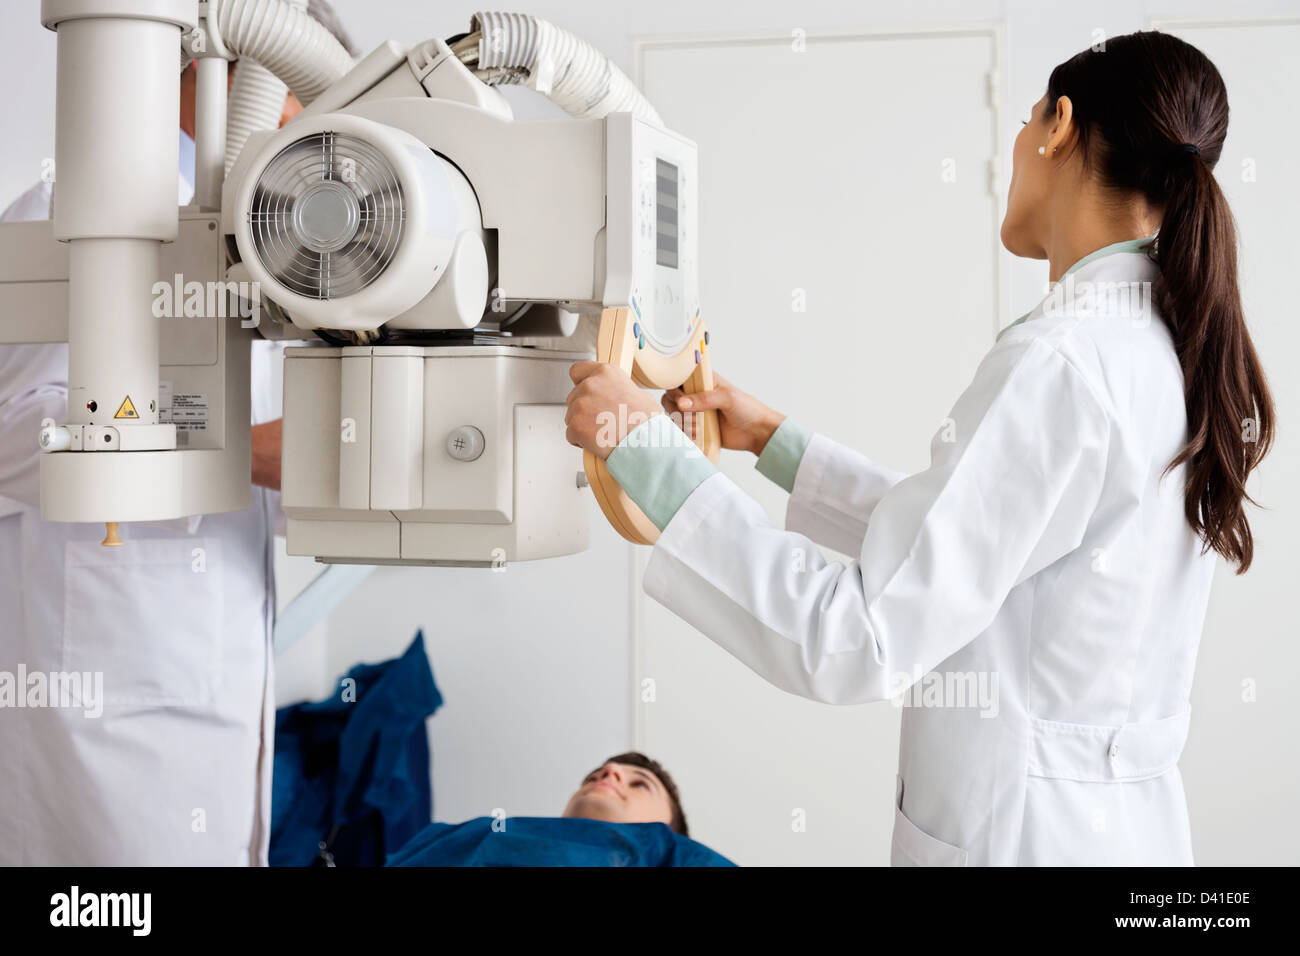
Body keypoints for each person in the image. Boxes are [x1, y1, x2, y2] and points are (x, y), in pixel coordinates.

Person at [564, 31, 1274, 866]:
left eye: (1027, 121)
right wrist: (776, 445)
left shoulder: (1064, 360)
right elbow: (988, 552)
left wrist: (646, 452)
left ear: (1059, 125)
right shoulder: (1160, 346)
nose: (1021, 142)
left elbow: (859, 637)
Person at [0, 2, 357, 865]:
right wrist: (240, 450)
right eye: (306, 102)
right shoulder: (79, 209)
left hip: (210, 659)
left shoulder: (268, 240)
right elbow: (10, 434)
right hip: (106, 685)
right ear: (229, 67)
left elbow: (272, 459)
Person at [388, 752, 734, 866]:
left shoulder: (682, 859)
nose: (609, 772)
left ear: (670, 830)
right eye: (594, 776)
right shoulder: (454, 838)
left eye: (640, 783)